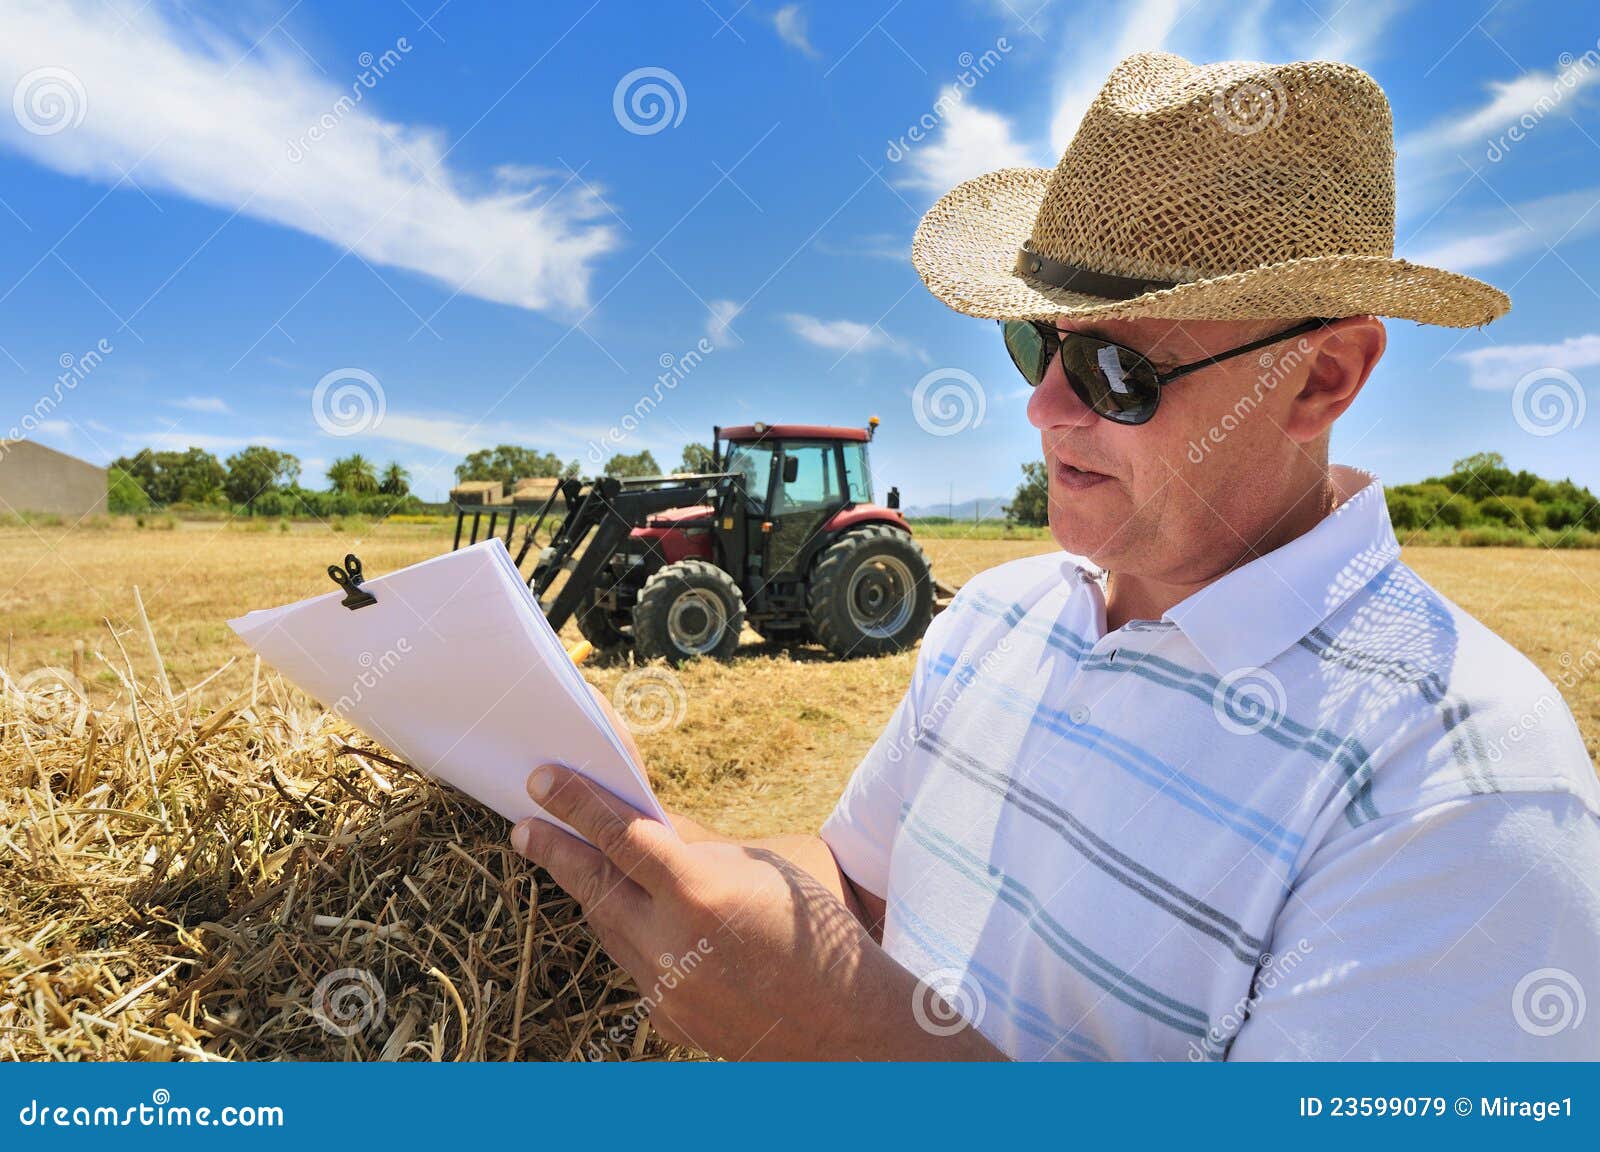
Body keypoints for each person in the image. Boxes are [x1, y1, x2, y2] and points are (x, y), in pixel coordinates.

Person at [511, 52, 1600, 1060]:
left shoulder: (1465, 790)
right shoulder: (997, 615)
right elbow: (861, 886)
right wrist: (658, 859)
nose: (1041, 407)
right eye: (1036, 344)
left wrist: (845, 1039)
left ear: (1322, 378)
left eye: (1118, 367)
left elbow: (846, 1002)